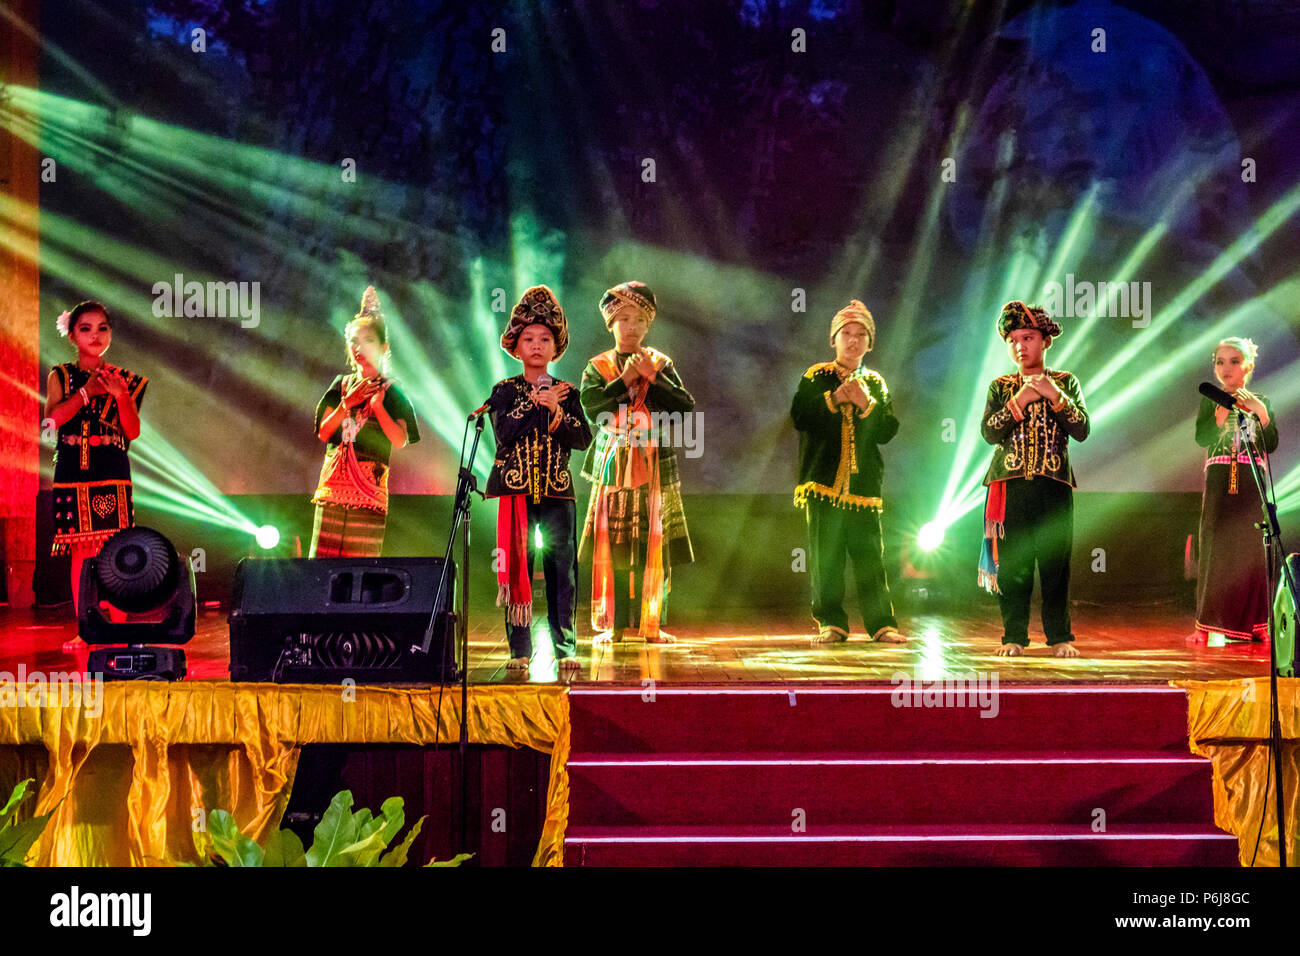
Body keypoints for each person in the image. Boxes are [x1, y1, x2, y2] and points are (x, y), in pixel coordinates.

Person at [578, 281, 695, 644]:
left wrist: (653, 378)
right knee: (612, 543)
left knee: (651, 541)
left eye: (640, 320)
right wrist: (624, 381)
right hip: (613, 466)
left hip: (654, 464)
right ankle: (613, 625)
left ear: (648, 326)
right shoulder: (598, 366)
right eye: (624, 319)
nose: (632, 327)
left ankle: (651, 623)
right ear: (611, 323)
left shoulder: (660, 363)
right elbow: (591, 406)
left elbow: (685, 407)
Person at [485, 285, 593, 675]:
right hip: (515, 493)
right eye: (528, 339)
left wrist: (557, 413)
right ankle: (519, 649)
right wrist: (534, 404)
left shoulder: (567, 393)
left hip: (558, 494)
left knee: (562, 569)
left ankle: (565, 648)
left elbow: (583, 438)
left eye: (544, 339)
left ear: (555, 347)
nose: (536, 345)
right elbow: (504, 435)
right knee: (517, 567)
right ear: (516, 346)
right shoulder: (504, 391)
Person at [978, 301, 1089, 658]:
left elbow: (1082, 428)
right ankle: (1013, 636)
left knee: (1056, 563)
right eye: (1012, 340)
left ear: (1045, 341)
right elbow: (989, 433)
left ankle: (1059, 636)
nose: (1019, 346)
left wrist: (1055, 397)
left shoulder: (1065, 382)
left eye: (1027, 337)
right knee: (1014, 565)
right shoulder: (1001, 386)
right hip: (1010, 487)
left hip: (1054, 485)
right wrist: (1020, 401)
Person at [791, 300, 906, 644]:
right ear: (834, 340)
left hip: (864, 483)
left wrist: (864, 404)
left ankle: (881, 623)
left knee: (871, 556)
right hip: (823, 482)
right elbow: (800, 416)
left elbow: (887, 430)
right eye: (846, 334)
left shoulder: (876, 382)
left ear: (870, 343)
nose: (853, 341)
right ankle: (832, 622)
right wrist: (834, 398)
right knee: (826, 556)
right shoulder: (816, 376)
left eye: (861, 335)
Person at [45, 301, 147, 652]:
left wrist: (120, 397)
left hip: (112, 470)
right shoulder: (59, 375)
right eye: (86, 328)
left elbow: (131, 432)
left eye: (103, 327)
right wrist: (87, 391)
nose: (95, 335)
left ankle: (118, 626)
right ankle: (86, 628)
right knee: (82, 553)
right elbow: (52, 420)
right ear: (73, 335)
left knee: (117, 551)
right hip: (73, 470)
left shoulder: (123, 380)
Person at [310, 286, 419, 557]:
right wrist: (347, 404)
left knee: (359, 573)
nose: (359, 348)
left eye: (368, 340)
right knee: (321, 573)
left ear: (383, 347)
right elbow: (324, 433)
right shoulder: (342, 385)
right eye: (354, 341)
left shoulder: (393, 390)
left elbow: (400, 441)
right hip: (332, 492)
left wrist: (378, 408)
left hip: (368, 496)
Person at [1194, 337, 1279, 641]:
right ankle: (1206, 627)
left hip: (1250, 482)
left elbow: (1271, 444)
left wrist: (1261, 414)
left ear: (1248, 366)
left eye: (1234, 361)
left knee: (1249, 551)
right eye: (1220, 361)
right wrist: (1218, 417)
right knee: (1215, 548)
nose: (1226, 368)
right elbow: (1202, 438)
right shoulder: (1210, 399)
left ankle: (1255, 626)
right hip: (1219, 482)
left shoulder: (1261, 401)